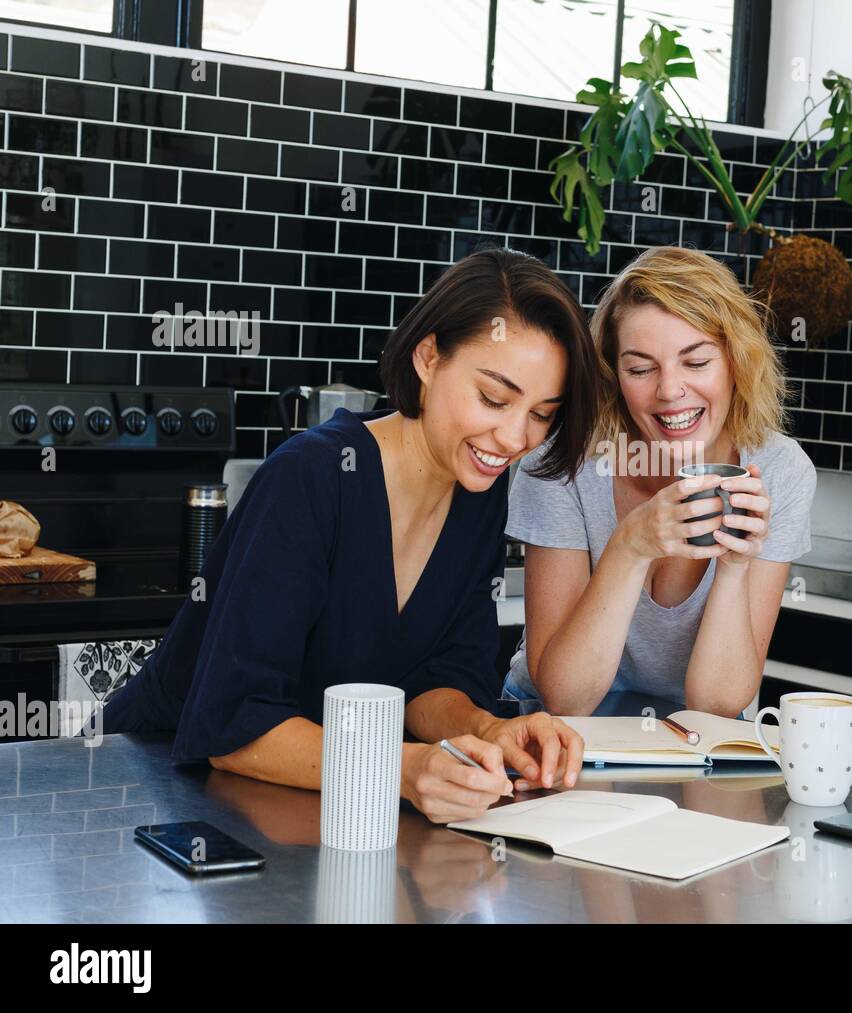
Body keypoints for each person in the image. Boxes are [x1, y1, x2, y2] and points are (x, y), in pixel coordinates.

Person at [104, 249, 599, 823]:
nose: (515, 437)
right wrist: (403, 770)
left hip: (304, 815)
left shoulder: (477, 495)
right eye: (493, 398)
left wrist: (492, 729)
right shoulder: (312, 477)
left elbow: (433, 683)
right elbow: (233, 725)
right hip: (151, 798)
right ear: (429, 357)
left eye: (542, 413)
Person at [503, 246, 816, 717]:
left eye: (696, 362)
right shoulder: (562, 465)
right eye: (641, 368)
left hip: (691, 739)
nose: (669, 391)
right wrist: (631, 545)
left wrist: (734, 567)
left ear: (736, 360)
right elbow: (566, 699)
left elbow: (716, 706)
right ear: (613, 375)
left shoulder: (781, 471)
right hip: (549, 730)